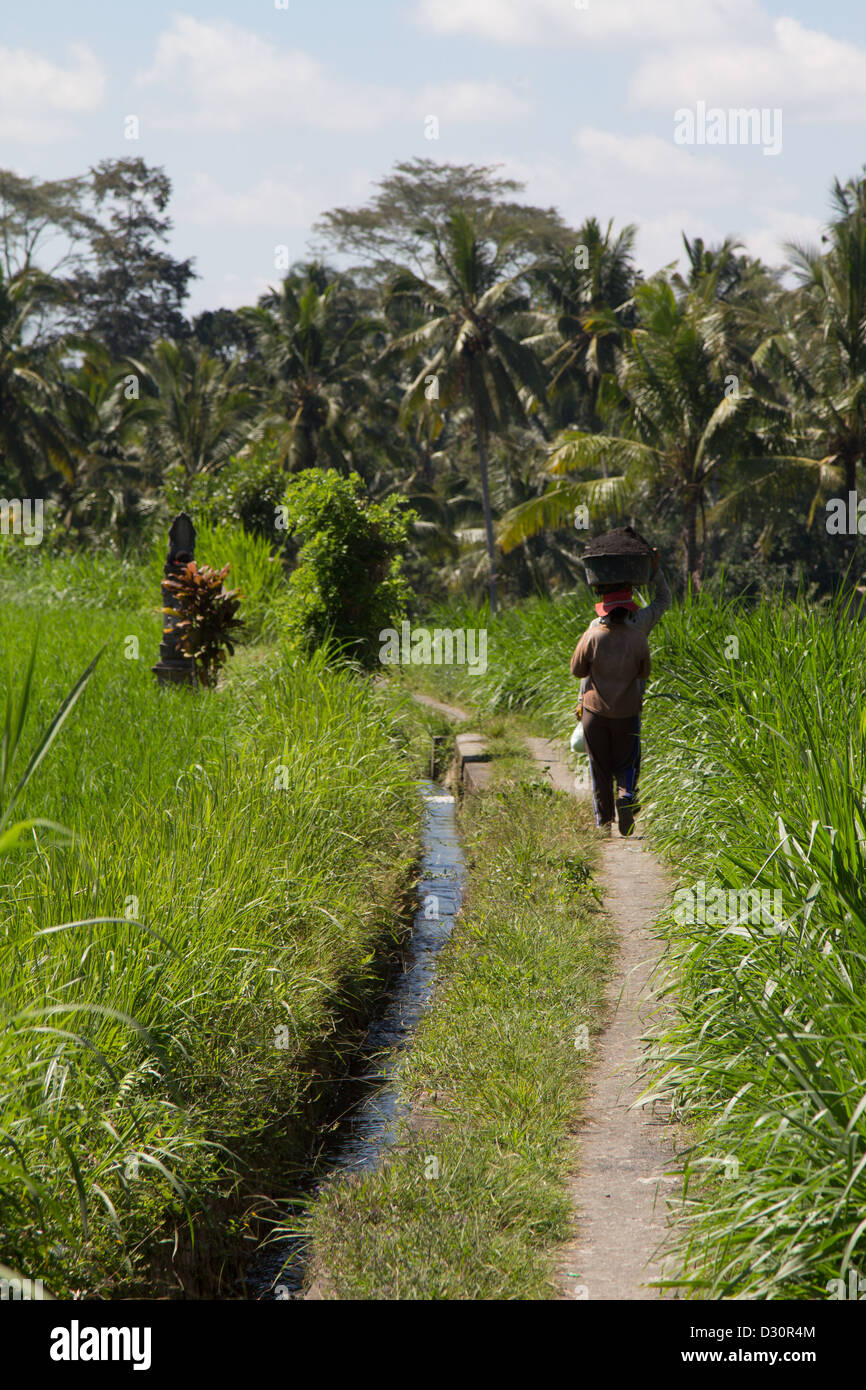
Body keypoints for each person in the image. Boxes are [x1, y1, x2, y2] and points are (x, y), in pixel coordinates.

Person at [571, 550, 669, 836]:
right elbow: (644, 672)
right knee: (628, 762)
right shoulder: (640, 629)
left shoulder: (593, 630)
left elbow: (581, 672)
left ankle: (603, 822)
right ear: (630, 605)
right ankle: (626, 797)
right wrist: (655, 570)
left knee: (598, 766)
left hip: (594, 710)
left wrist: (580, 701)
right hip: (628, 710)